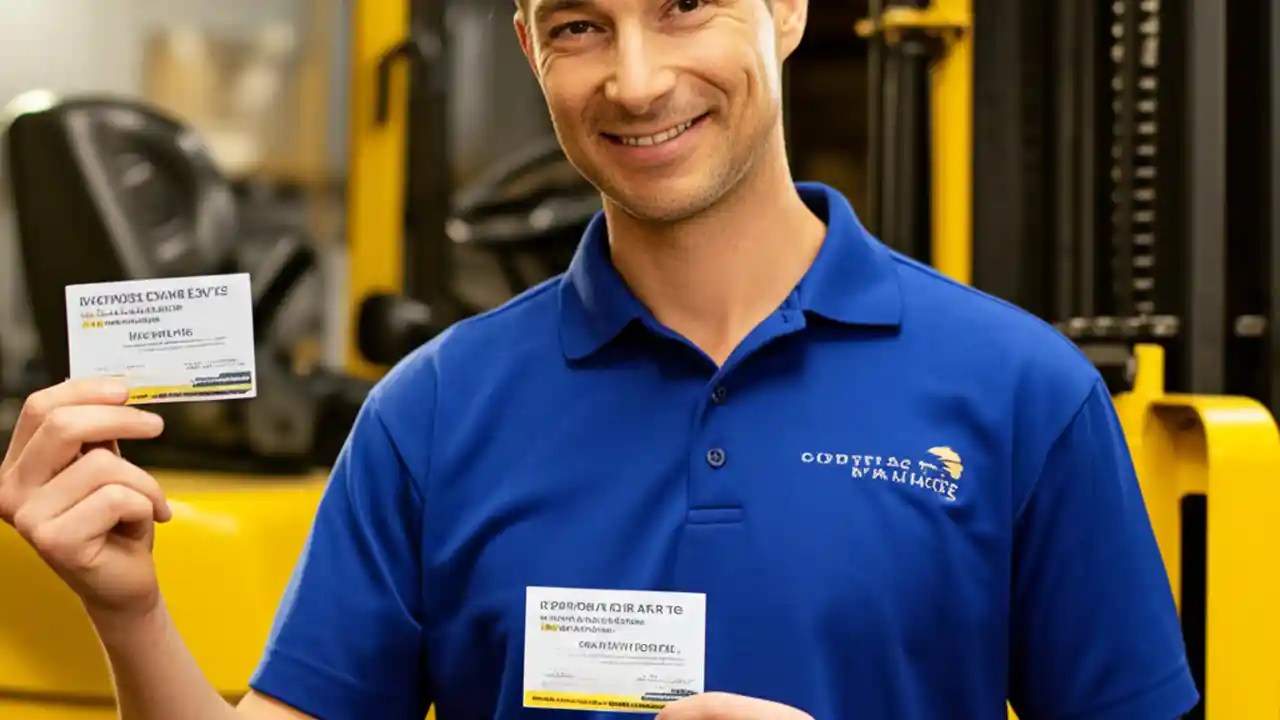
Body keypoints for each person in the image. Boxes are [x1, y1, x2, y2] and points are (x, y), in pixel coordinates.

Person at [0, 0, 1199, 718]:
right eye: (580, 25)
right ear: (531, 45)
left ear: (784, 9)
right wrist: (129, 610)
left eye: (683, 5)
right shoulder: (433, 410)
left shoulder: (1020, 393)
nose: (634, 80)